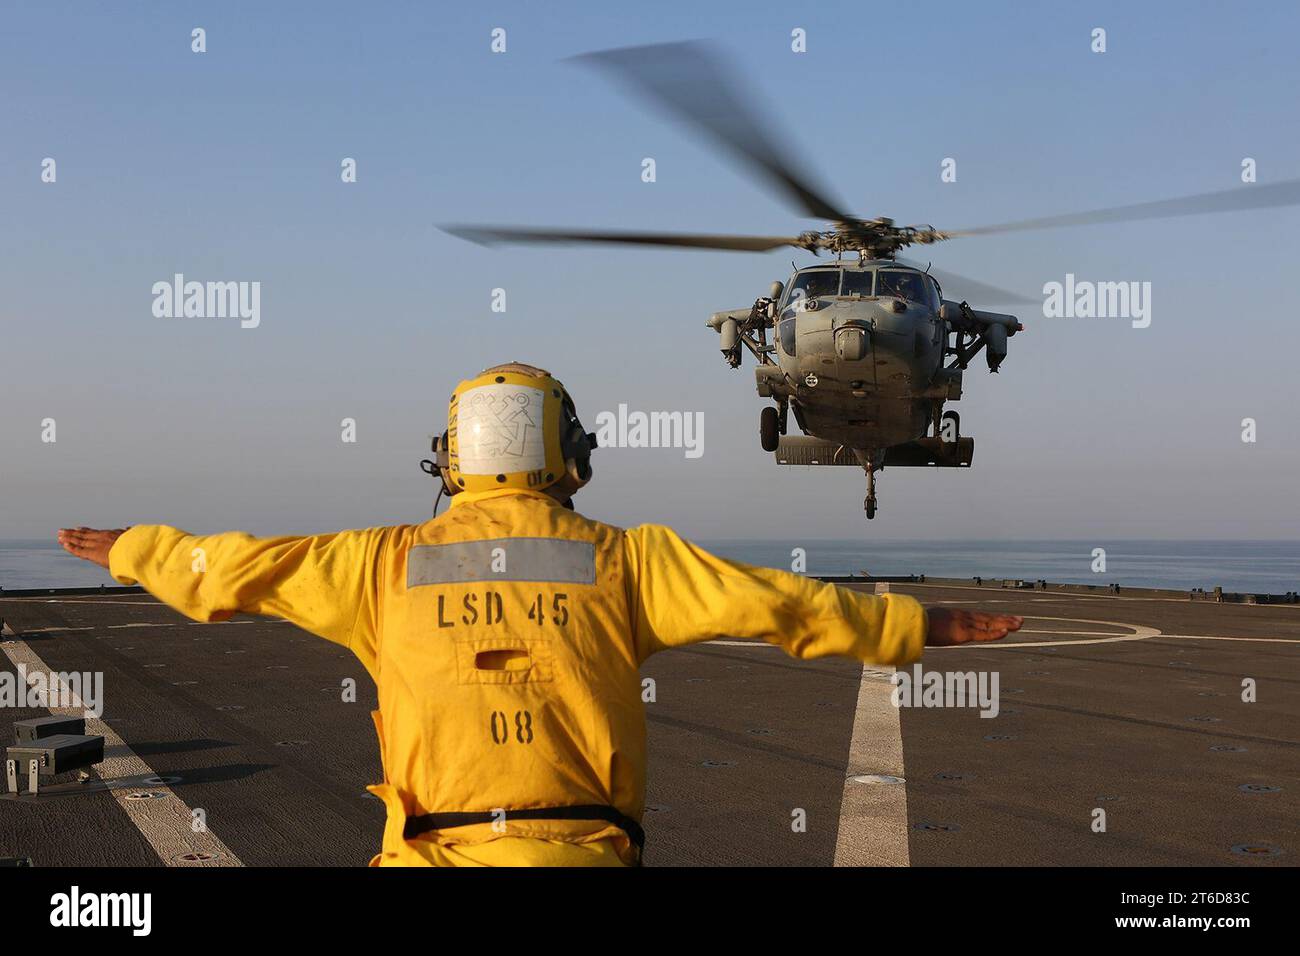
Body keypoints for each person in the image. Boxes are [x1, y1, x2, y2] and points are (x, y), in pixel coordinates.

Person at [58, 362, 1021, 867]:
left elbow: (233, 571)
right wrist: (910, 626)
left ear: (451, 462)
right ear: (574, 457)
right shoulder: (628, 560)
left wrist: (137, 550)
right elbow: (783, 604)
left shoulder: (379, 563)